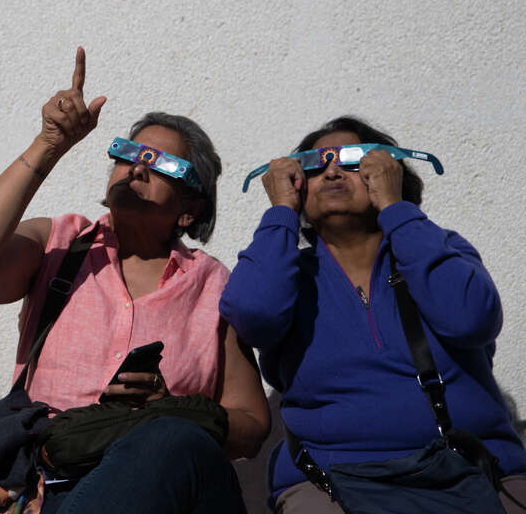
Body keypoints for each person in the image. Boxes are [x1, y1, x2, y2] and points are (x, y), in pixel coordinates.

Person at [0, 48, 270, 513]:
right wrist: (51, 142)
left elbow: (252, 428)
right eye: (129, 153)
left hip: (156, 491)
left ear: (189, 209)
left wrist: (167, 410)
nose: (138, 166)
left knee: (172, 439)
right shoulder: (61, 244)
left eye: (162, 166)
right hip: (43, 488)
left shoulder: (213, 286)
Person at [220, 115, 526, 512]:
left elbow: (471, 318)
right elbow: (252, 313)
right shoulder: (286, 274)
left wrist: (397, 210)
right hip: (331, 483)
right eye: (314, 165)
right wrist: (281, 213)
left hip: (474, 471)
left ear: (386, 174)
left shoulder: (438, 249)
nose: (332, 171)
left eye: (353, 160)